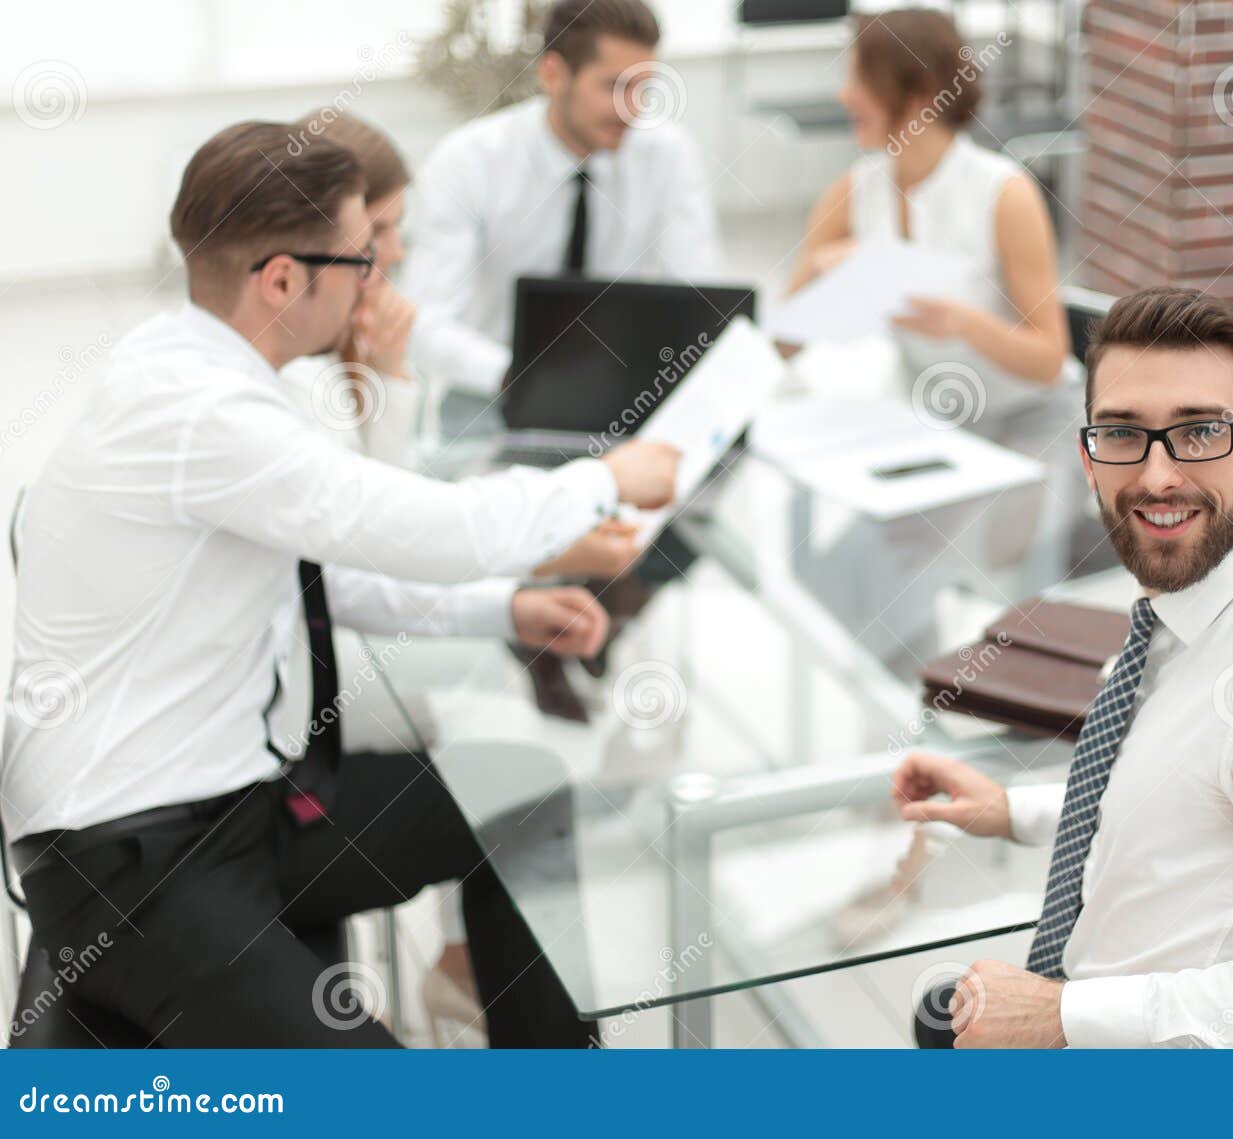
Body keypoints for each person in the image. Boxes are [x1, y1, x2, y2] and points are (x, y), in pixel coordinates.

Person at [1, 121, 678, 1047]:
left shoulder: (207, 372)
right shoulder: (202, 414)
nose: (378, 276)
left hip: (242, 809)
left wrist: (506, 607)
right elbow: (431, 528)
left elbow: (330, 575)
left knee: (519, 796)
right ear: (282, 278)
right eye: (362, 256)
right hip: (137, 869)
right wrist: (607, 475)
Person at [892, 287, 1233, 1048]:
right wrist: (1020, 809)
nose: (1159, 475)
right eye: (1124, 434)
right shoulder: (1174, 613)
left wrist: (1062, 1017)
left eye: (1201, 432)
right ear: (1087, 456)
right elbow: (1178, 801)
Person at [275, 109, 637, 1043]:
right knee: (503, 737)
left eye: (393, 231)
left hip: (315, 651)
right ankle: (516, 1010)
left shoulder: (323, 352)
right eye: (377, 235)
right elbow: (384, 540)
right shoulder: (298, 382)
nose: (391, 258)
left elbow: (374, 533)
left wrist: (512, 594)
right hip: (289, 713)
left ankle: (478, 974)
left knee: (497, 713)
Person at [791, 8, 1073, 581]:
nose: (845, 97)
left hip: (1028, 418)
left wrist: (963, 323)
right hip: (935, 419)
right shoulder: (853, 192)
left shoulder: (1003, 193)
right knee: (852, 581)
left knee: (1008, 594)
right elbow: (781, 337)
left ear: (917, 95)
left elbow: (1049, 360)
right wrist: (823, 270)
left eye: (859, 82)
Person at [402, 0, 720, 398]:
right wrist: (525, 377)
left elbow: (698, 299)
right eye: (615, 86)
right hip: (491, 390)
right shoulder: (468, 161)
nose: (634, 109)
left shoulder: (668, 155)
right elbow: (423, 323)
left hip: (620, 388)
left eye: (645, 88)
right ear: (553, 74)